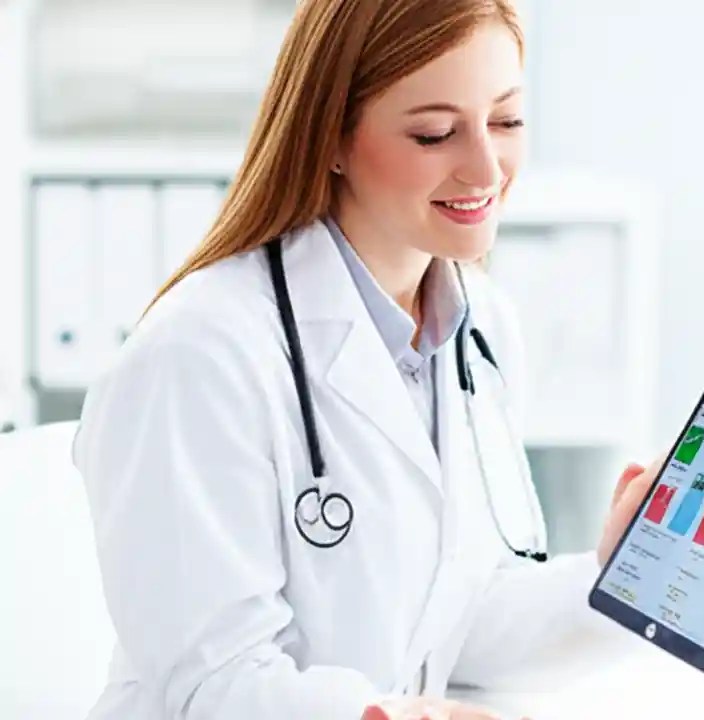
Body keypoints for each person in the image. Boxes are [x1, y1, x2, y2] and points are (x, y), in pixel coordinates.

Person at [72, 2, 655, 719]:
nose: (485, 167)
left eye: (506, 121)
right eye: (434, 133)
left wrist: (626, 575)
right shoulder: (198, 355)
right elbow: (214, 687)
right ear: (333, 138)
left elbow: (454, 624)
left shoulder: (482, 329)